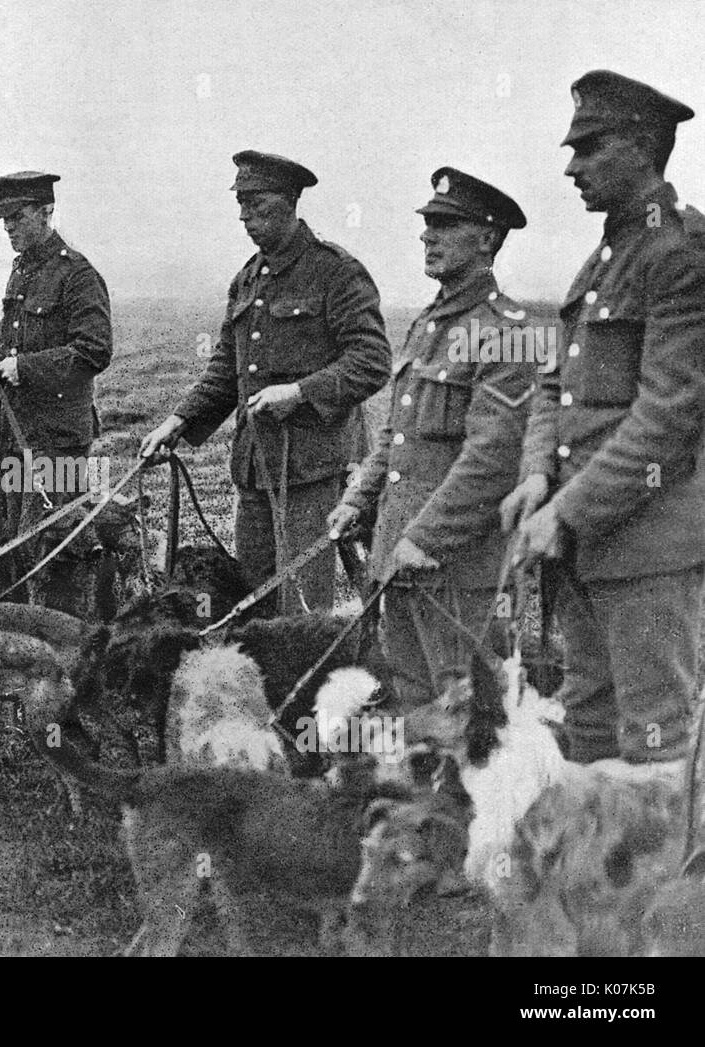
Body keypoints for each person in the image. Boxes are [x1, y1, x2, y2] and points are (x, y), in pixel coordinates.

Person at [502, 71, 705, 779]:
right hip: (586, 548)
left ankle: (668, 895)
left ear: (644, 147)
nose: (570, 166)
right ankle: (599, 892)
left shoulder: (679, 255)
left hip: (649, 549)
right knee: (587, 732)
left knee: (654, 748)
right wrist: (535, 474)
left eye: (590, 147)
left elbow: (666, 417)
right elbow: (554, 381)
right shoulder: (606, 258)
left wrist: (567, 508)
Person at [139, 151, 391, 611]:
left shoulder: (334, 270)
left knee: (300, 605)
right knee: (254, 597)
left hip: (311, 466)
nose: (244, 216)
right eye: (241, 204)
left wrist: (299, 393)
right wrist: (178, 420)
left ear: (289, 201)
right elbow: (225, 369)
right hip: (256, 466)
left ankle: (309, 679)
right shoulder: (247, 280)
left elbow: (372, 359)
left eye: (256, 203)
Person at [326, 168, 533, 709]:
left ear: (487, 239)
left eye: (445, 224)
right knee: (410, 709)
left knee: (468, 715)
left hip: (460, 570)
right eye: (427, 224)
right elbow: (396, 436)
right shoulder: (427, 325)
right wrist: (358, 499)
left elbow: (491, 460)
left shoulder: (506, 333)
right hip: (399, 554)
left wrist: (425, 541)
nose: (427, 235)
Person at [0, 171, 112, 542]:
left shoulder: (77, 273)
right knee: (15, 535)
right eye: (5, 220)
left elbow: (94, 351)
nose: (8, 227)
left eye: (18, 217)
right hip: (15, 432)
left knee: (55, 541)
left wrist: (24, 368)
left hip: (57, 438)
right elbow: (5, 343)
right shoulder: (21, 270)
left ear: (46, 212)